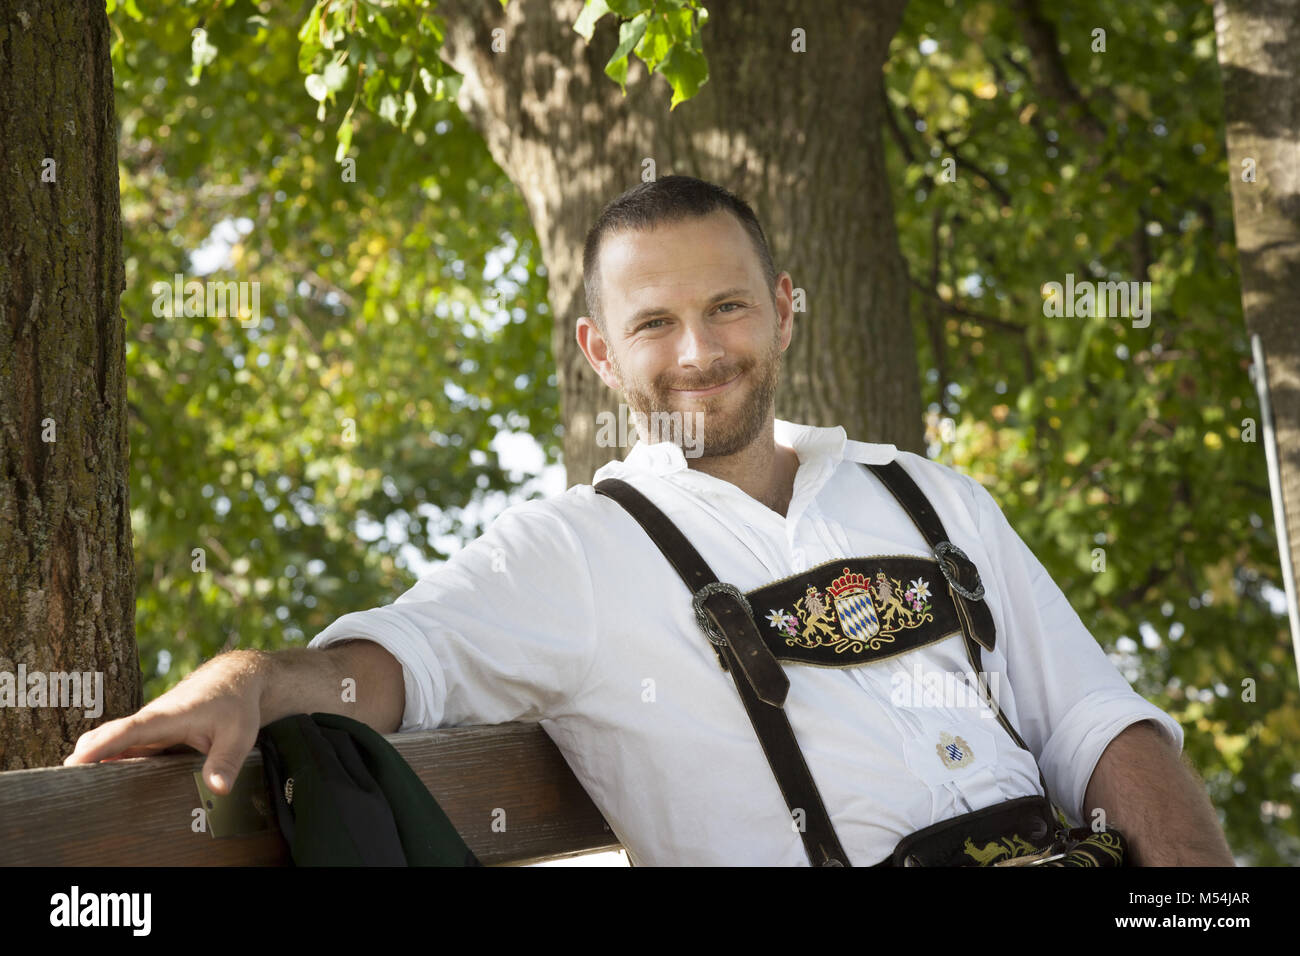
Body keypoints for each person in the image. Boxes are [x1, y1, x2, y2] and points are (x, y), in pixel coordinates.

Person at [65, 176, 1233, 867]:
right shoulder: (569, 554)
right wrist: (246, 677)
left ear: (781, 311)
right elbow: (396, 662)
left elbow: (1092, 717)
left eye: (727, 306)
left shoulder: (930, 495)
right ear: (597, 351)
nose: (696, 354)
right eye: (654, 322)